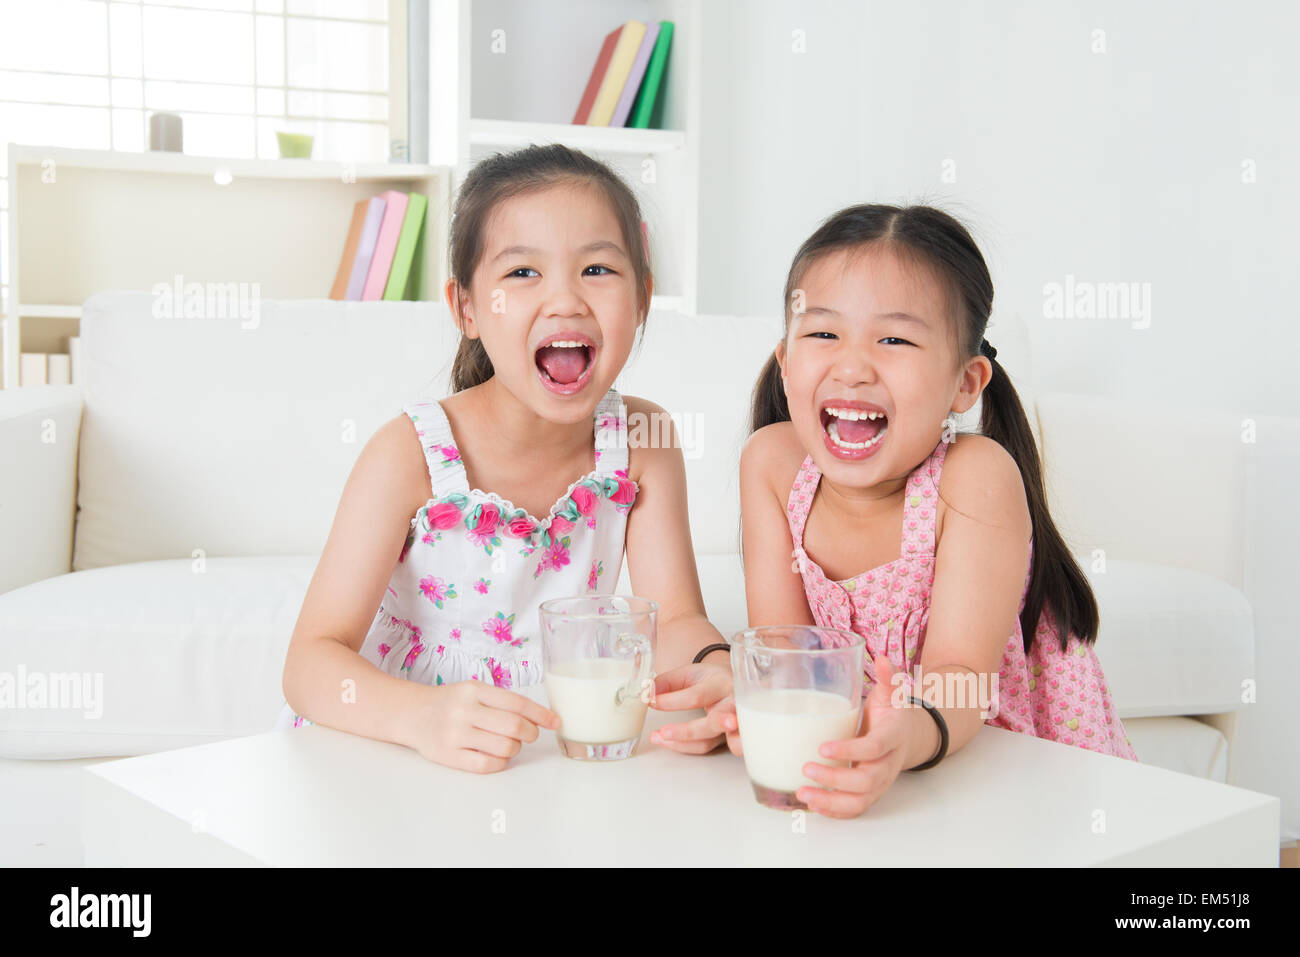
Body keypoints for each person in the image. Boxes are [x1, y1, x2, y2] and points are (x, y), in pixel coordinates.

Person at [276, 144, 728, 771]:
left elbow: (676, 619)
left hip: (550, 748)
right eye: (522, 273)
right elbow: (309, 663)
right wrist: (420, 718)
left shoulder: (644, 439)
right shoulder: (410, 454)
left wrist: (722, 671)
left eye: (598, 269)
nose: (567, 299)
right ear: (466, 307)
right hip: (395, 747)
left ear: (643, 297)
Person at [725, 203, 1138, 818]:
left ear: (965, 383)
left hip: (989, 756)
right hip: (862, 755)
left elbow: (960, 676)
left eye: (894, 339)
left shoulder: (974, 476)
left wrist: (903, 738)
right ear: (786, 363)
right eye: (823, 333)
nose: (852, 366)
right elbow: (789, 657)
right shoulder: (770, 463)